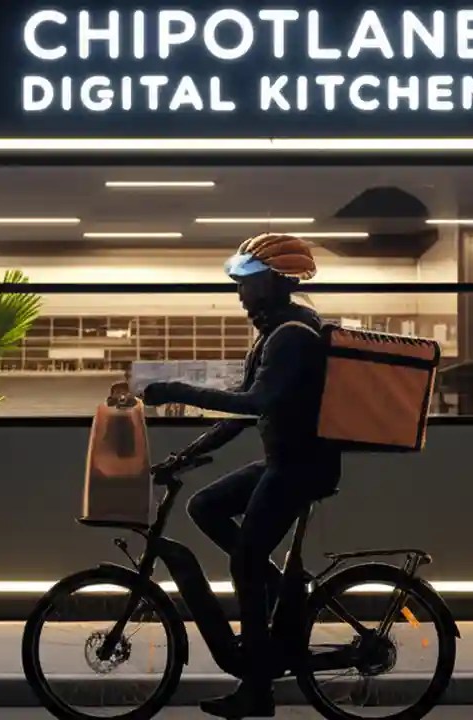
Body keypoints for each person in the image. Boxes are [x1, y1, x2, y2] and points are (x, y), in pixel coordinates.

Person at [142, 233, 342, 719]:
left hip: (301, 467)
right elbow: (243, 418)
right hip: (284, 462)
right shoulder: (276, 332)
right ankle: (277, 590)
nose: (239, 291)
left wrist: (175, 388)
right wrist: (186, 456)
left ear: (275, 282)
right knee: (204, 506)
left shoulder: (293, 335)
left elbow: (255, 404)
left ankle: (257, 690)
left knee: (245, 564)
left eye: (248, 280)